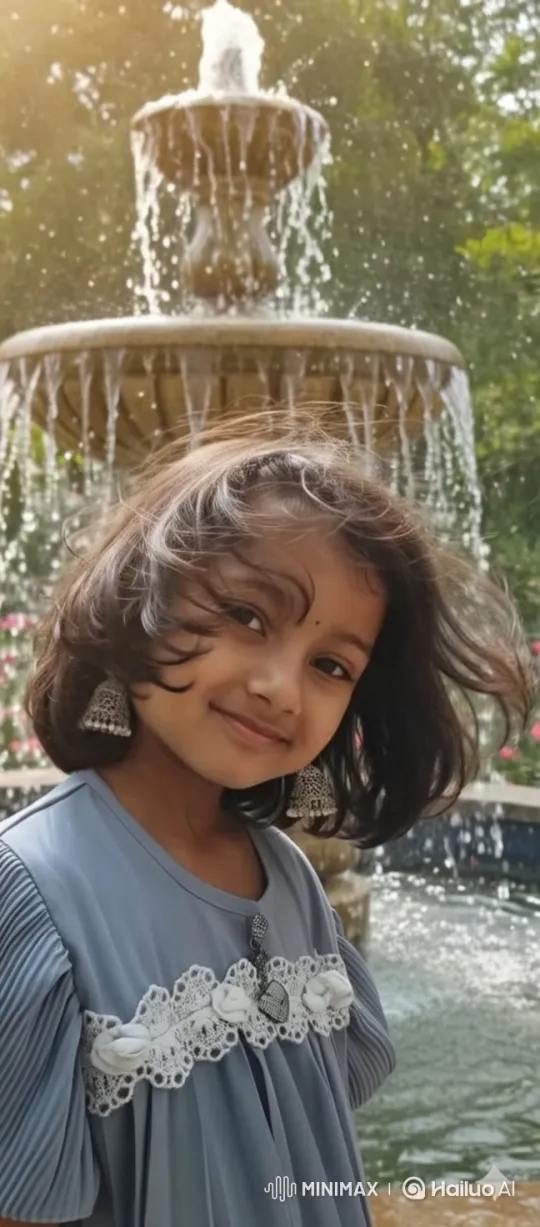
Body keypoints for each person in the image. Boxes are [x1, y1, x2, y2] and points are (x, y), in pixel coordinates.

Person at [0, 412, 534, 1227]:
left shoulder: (287, 877)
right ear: (140, 594)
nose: (283, 686)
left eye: (330, 664)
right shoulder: (35, 889)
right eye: (249, 615)